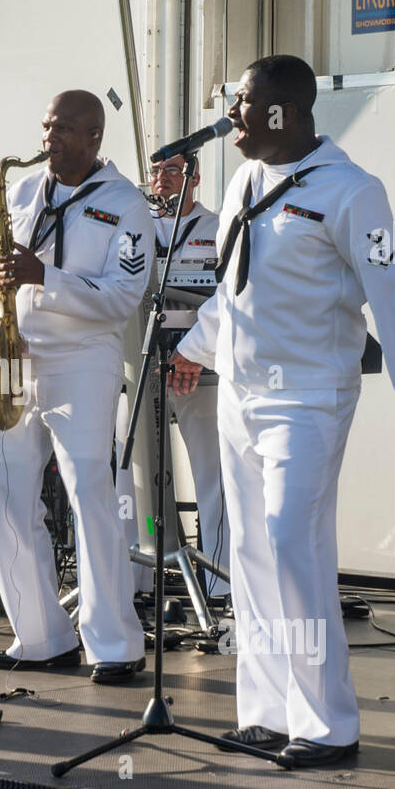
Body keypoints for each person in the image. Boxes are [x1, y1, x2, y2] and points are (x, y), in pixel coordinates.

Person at [170, 55, 395, 767]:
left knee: (293, 547)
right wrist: (194, 348)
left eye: (247, 104)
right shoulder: (243, 180)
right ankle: (268, 713)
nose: (233, 115)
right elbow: (235, 288)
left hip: (308, 398)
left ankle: (328, 723)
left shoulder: (354, 193)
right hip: (239, 394)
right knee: (249, 552)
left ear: (288, 115)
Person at [0, 89, 155, 684]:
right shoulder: (22, 190)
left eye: (63, 130)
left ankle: (115, 643)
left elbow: (122, 300)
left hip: (83, 358)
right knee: (6, 496)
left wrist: (45, 277)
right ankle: (41, 637)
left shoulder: (127, 206)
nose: (49, 138)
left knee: (89, 495)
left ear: (94, 137)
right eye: (47, 126)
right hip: (12, 356)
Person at [148, 152, 229, 604]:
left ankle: (219, 583)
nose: (162, 178)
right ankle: (139, 580)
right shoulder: (131, 224)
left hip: (200, 367)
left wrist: (195, 350)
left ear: (195, 177)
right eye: (156, 170)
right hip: (140, 366)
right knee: (134, 479)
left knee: (213, 473)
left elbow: (227, 297)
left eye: (173, 169)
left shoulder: (217, 227)